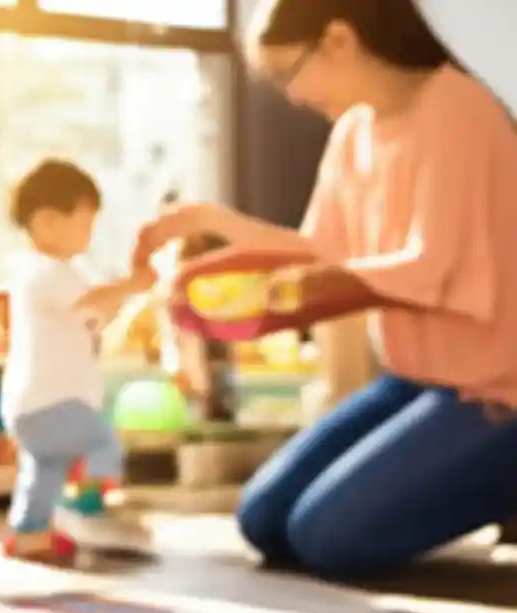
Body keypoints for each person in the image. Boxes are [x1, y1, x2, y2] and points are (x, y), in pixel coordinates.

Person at [134, 0, 517, 578]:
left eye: (289, 71)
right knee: (262, 519)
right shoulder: (353, 132)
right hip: (415, 379)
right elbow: (324, 248)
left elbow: (427, 268)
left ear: (339, 39)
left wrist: (298, 292)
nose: (291, 94)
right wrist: (216, 229)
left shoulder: (458, 107)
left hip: (493, 389)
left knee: (325, 538)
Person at [1, 159, 155, 559]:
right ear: (49, 222)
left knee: (44, 472)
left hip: (33, 403)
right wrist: (133, 284)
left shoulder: (55, 273)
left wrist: (127, 300)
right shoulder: (43, 271)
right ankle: (87, 513)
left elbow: (94, 314)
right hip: (53, 400)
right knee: (102, 442)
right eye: (85, 224)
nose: (90, 235)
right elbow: (91, 301)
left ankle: (28, 535)